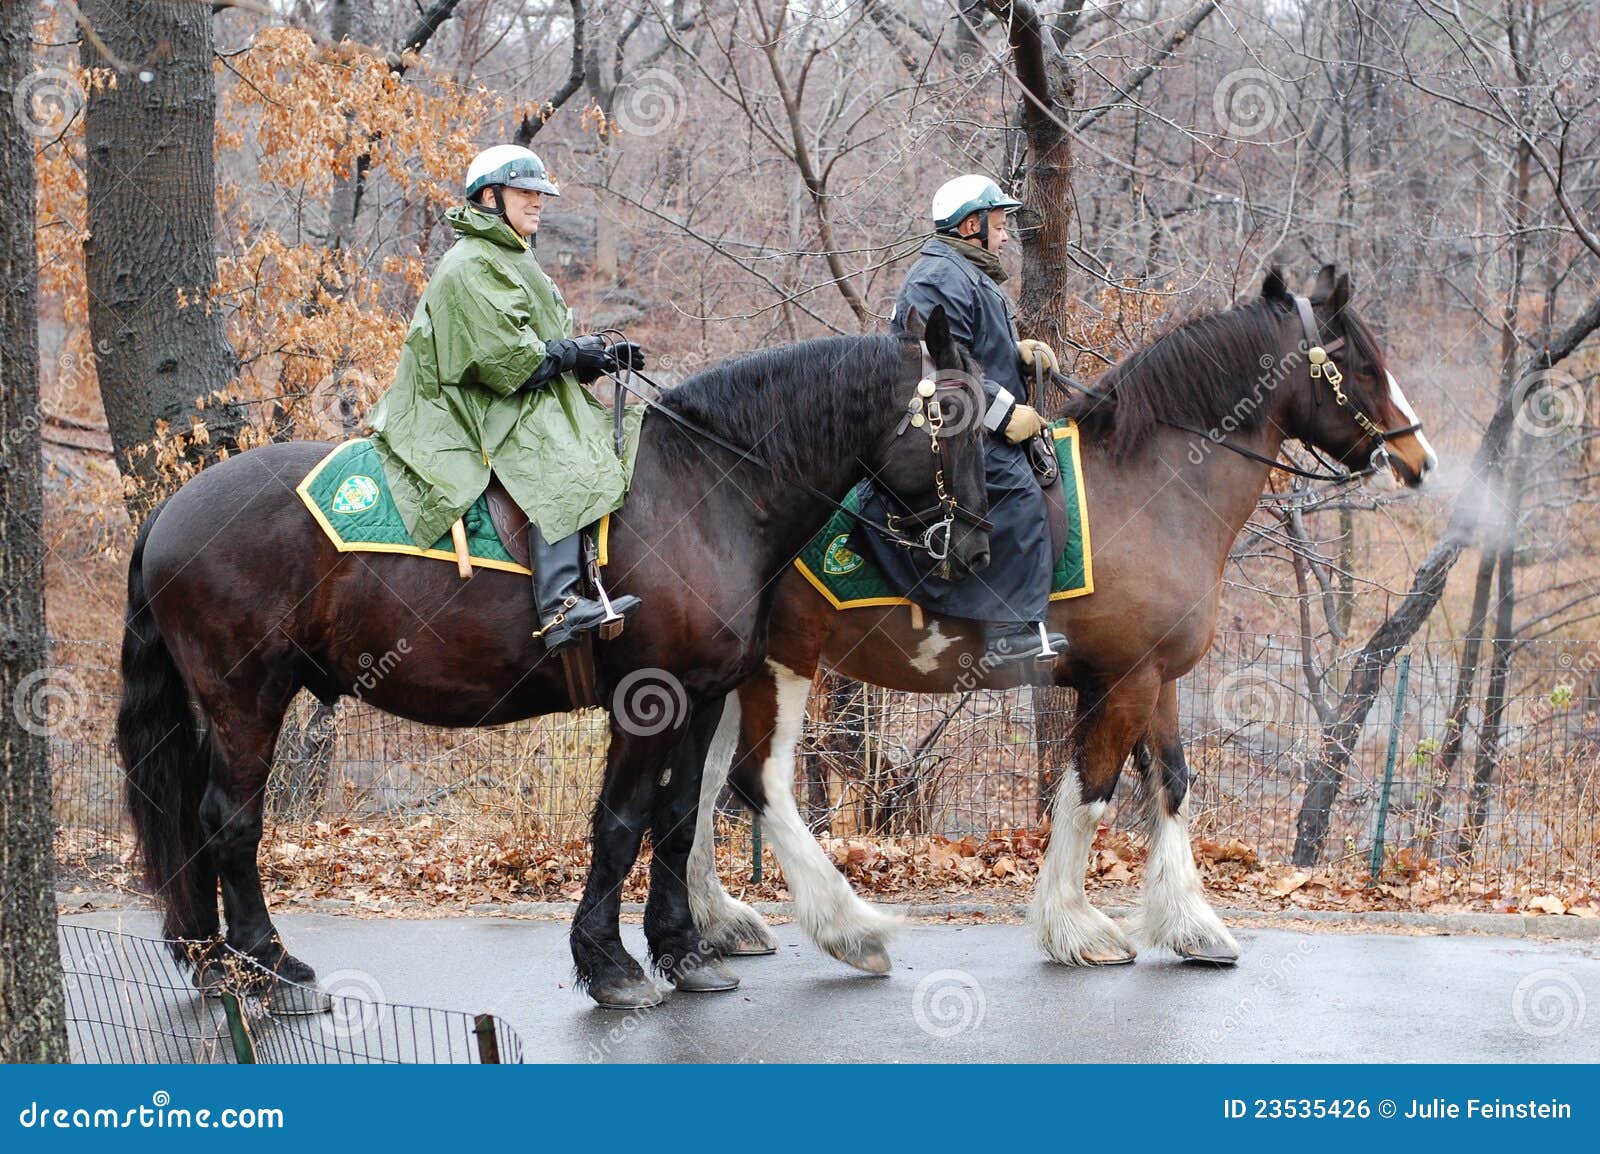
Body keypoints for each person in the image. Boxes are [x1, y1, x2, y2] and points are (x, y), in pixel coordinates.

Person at [369, 144, 641, 652]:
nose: (538, 201)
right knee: (556, 453)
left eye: (540, 193)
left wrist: (593, 358)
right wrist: (573, 353)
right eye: (525, 192)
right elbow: (507, 362)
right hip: (458, 405)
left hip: (502, 389)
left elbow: (535, 345)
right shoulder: (472, 262)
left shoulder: (509, 255)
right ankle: (559, 605)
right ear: (490, 196)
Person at [871, 173, 1068, 665]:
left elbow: (970, 349)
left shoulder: (965, 272)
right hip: (948, 427)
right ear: (969, 226)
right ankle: (1010, 631)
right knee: (1017, 492)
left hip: (968, 417)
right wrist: (1005, 415)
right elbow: (938, 367)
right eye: (998, 226)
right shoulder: (939, 278)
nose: (1005, 237)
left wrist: (1017, 352)